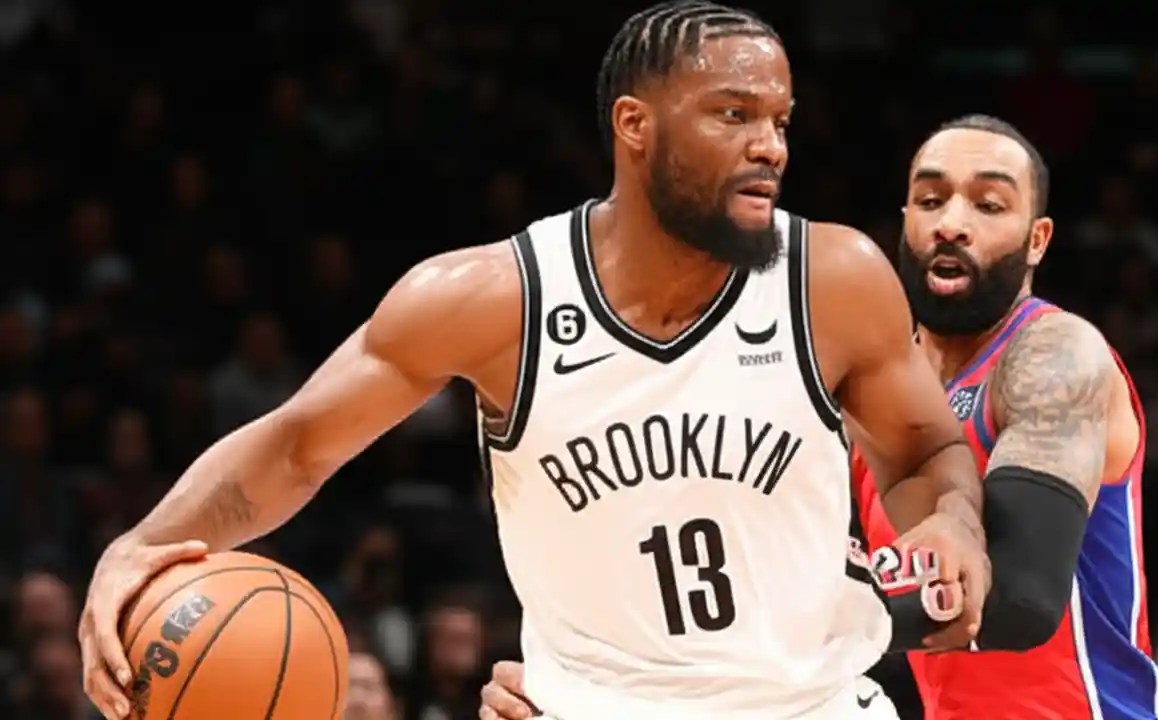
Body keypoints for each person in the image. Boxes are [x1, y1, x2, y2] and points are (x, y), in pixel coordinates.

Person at [77, 3, 991, 719]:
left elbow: (921, 454)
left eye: (781, 120)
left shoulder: (833, 279)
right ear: (635, 125)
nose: (771, 145)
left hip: (813, 709)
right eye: (734, 114)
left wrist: (951, 519)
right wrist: (144, 544)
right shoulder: (492, 301)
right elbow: (297, 446)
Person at [476, 116, 1158, 720]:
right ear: (904, 220)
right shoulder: (868, 395)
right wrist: (575, 674)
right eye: (930, 199)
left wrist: (712, 637)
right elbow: (736, 557)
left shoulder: (1056, 354)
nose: (952, 223)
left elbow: (1020, 599)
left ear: (1037, 239)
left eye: (989, 205)